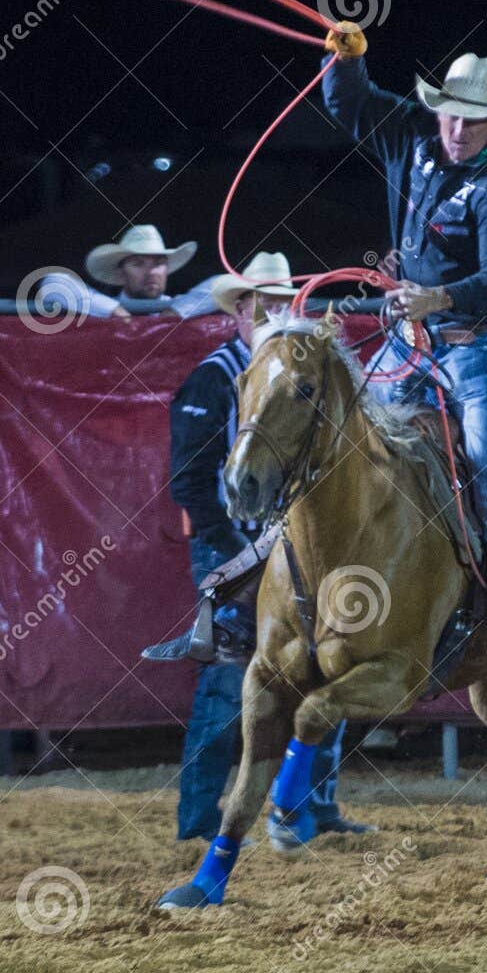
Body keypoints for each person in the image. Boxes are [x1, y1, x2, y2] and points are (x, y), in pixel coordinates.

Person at [321, 20, 487, 755]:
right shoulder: (413, 136)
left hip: (475, 352)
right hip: (410, 347)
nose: (457, 128)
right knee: (348, 455)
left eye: (472, 119)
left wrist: (439, 300)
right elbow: (350, 104)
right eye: (450, 114)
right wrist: (346, 57)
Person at [167, 250, 371, 849]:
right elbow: (190, 483)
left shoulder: (284, 376)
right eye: (263, 303)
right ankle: (201, 822)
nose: (273, 312)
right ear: (242, 309)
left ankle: (313, 806)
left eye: (283, 303)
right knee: (228, 685)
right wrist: (237, 556)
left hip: (295, 548)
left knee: (327, 667)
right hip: (235, 547)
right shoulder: (214, 376)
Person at [37, 222, 218, 320]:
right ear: (121, 273)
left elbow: (223, 284)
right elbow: (53, 282)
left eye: (158, 263)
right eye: (139, 264)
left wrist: (176, 312)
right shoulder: (99, 309)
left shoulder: (183, 306)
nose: (151, 272)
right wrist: (113, 311)